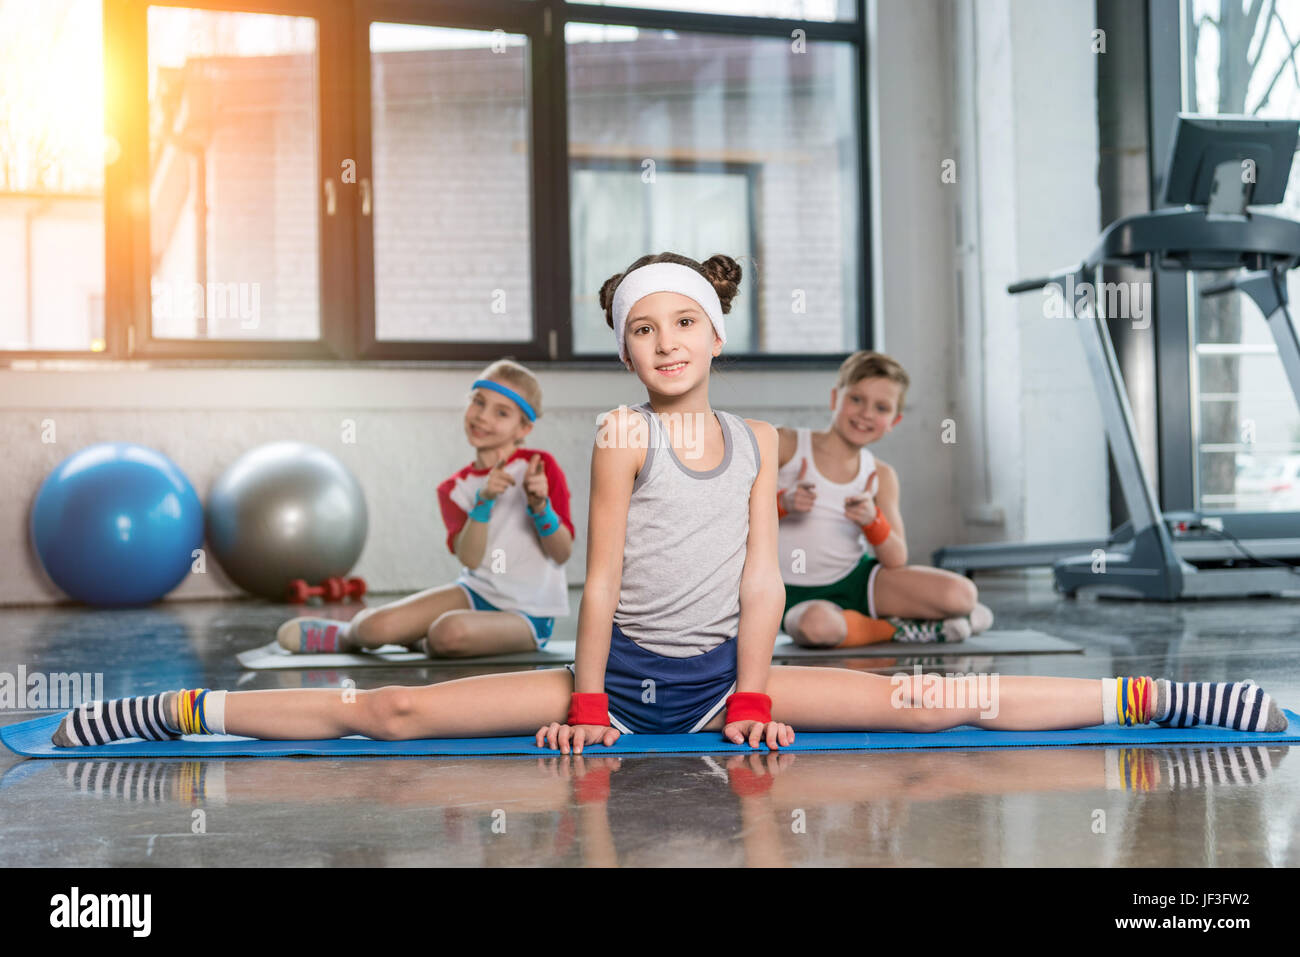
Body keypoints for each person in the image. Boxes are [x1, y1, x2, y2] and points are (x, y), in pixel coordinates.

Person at [51, 252, 1287, 751]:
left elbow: (762, 578)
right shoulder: (618, 436)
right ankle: (176, 712)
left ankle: (1163, 693)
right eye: (641, 328)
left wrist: (749, 691)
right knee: (387, 722)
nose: (664, 340)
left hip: (720, 679)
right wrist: (587, 702)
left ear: (715, 326)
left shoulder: (756, 439)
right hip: (616, 671)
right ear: (626, 349)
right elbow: (593, 579)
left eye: (682, 320)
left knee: (930, 703)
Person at [275, 358, 574, 658]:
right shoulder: (454, 489)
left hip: (527, 614)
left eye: (502, 412)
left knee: (448, 632)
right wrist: (483, 501)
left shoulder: (541, 467)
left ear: (524, 428)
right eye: (478, 402)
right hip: (475, 593)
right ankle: (345, 636)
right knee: (373, 627)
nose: (483, 417)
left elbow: (561, 553)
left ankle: (418, 641)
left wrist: (539, 506)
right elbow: (470, 558)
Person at [776, 351, 993, 648]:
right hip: (787, 590)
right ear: (834, 399)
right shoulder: (786, 444)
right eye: (856, 399)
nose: (866, 413)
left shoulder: (881, 474)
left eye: (881, 407)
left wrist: (871, 521)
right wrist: (781, 504)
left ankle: (940, 617)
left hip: (858, 582)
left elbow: (896, 558)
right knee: (819, 628)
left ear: (894, 420)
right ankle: (897, 629)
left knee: (962, 595)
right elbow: (731, 511)